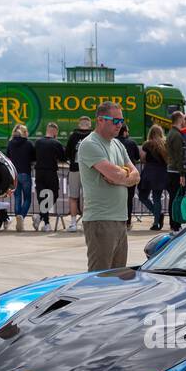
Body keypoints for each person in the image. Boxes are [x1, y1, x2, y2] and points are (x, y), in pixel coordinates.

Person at [77, 101, 139, 271]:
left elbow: (136, 176)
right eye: (115, 121)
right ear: (100, 120)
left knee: (117, 279)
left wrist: (121, 175)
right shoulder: (90, 144)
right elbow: (116, 174)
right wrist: (123, 175)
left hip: (120, 219)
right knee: (100, 278)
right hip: (101, 220)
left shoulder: (118, 144)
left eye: (122, 121)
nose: (120, 125)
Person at [64, 115, 92, 232]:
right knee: (89, 197)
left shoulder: (73, 137)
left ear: (79, 124)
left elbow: (67, 154)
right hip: (90, 170)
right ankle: (87, 222)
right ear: (89, 124)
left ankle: (73, 223)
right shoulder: (93, 136)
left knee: (73, 197)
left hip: (74, 169)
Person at [32, 122, 62, 232]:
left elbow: (33, 156)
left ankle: (42, 219)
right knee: (54, 194)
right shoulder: (56, 143)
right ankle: (45, 221)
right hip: (51, 172)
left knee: (42, 196)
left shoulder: (38, 142)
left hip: (39, 172)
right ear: (54, 131)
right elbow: (62, 157)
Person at [139, 125, 169, 230]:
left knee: (142, 196)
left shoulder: (147, 144)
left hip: (149, 172)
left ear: (150, 133)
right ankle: (156, 221)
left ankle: (157, 215)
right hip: (161, 173)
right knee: (157, 199)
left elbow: (142, 158)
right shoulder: (165, 144)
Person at [5, 124, 34, 225]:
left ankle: (18, 217)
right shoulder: (29, 144)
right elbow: (33, 157)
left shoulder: (10, 144)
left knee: (17, 197)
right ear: (24, 133)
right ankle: (21, 216)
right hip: (25, 173)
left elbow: (7, 157)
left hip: (14, 175)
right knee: (27, 198)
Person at [164, 111, 186, 230]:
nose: (184, 120)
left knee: (173, 198)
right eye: (183, 118)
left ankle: (174, 223)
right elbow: (179, 156)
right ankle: (175, 223)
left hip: (171, 169)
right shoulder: (177, 135)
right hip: (176, 171)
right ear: (179, 119)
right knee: (176, 198)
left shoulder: (171, 133)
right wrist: (182, 174)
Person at [117, 121, 141, 223]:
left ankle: (118, 219)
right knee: (129, 199)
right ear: (125, 132)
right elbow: (137, 157)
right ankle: (128, 221)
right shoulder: (131, 143)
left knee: (117, 198)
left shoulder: (113, 142)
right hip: (130, 174)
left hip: (116, 173)